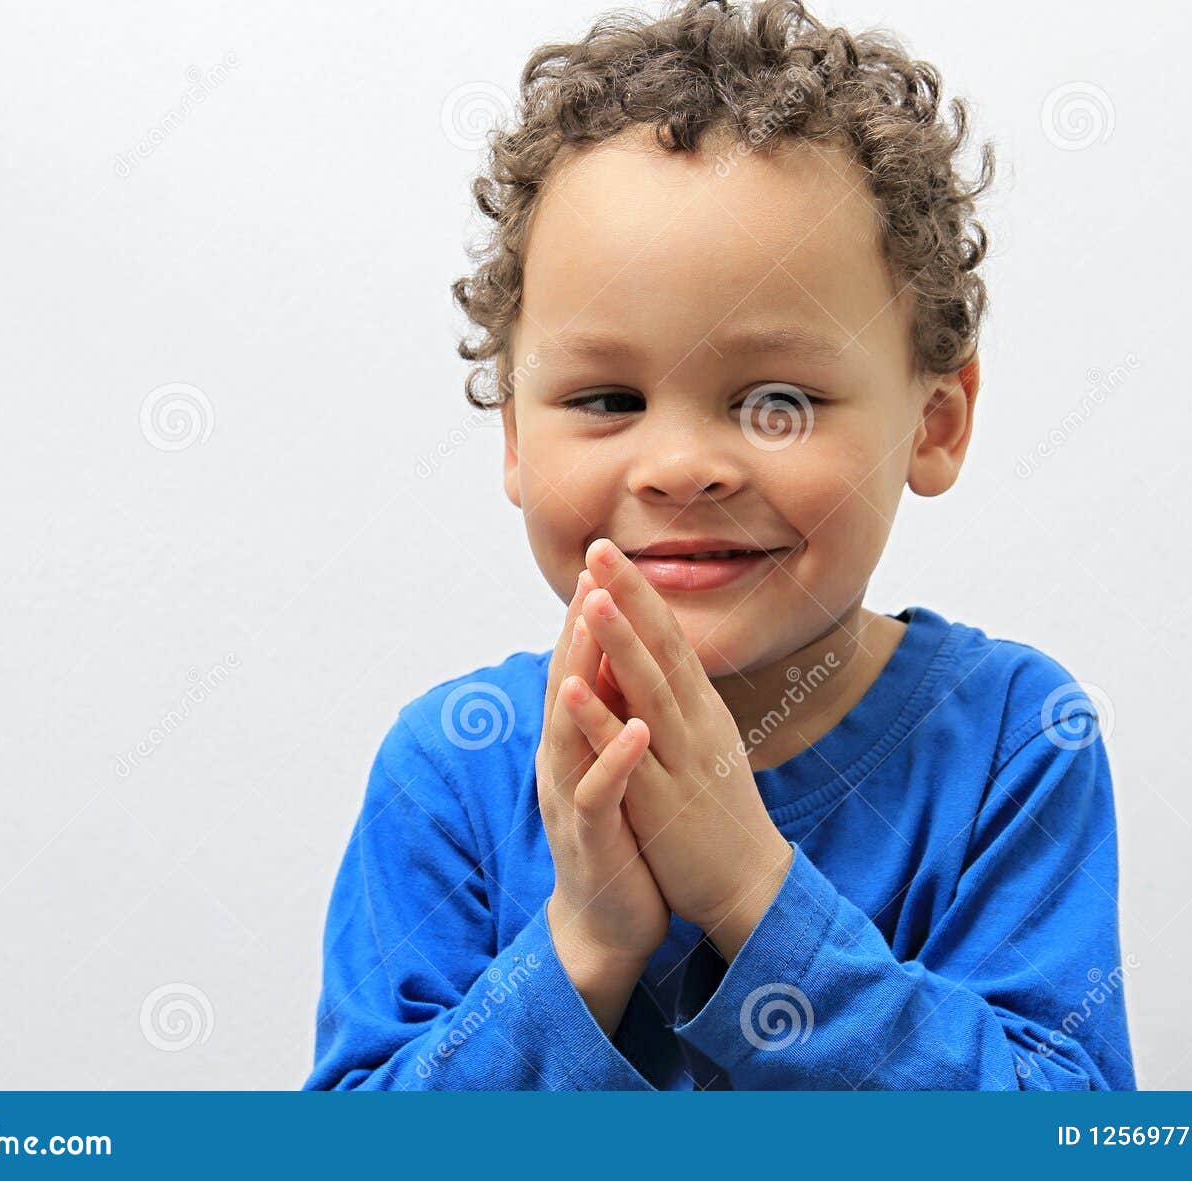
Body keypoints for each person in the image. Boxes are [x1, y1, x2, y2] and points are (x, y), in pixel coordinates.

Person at [303, 0, 1135, 1090]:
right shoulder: (452, 770)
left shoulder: (1011, 744)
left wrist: (752, 891)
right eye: (606, 396)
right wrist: (587, 942)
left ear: (934, 420)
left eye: (777, 400)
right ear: (513, 433)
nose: (680, 465)